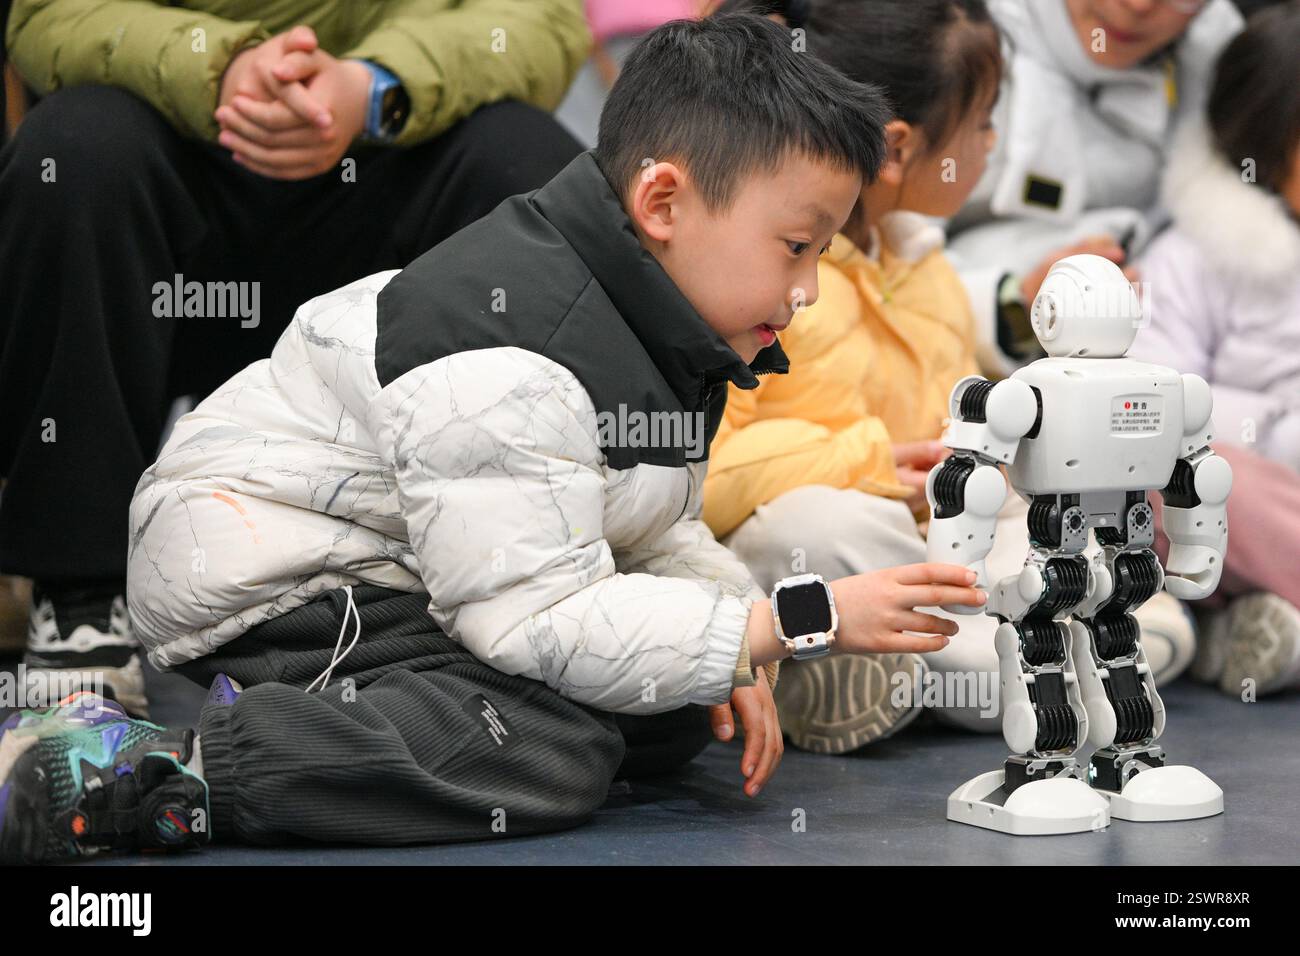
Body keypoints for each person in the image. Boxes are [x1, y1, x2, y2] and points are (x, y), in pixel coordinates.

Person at [0, 14, 987, 864]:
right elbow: (536, 623)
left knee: (671, 706)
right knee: (552, 745)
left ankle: (341, 731)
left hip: (417, 564)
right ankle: (161, 769)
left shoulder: (667, 319)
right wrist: (781, 622)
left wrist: (731, 635)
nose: (809, 287)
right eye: (796, 247)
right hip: (282, 575)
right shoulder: (514, 360)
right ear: (663, 202)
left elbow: (651, 529)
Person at [0, 0, 592, 717]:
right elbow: (48, 14)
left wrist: (376, 88)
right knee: (75, 148)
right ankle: (79, 599)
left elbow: (546, 19)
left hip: (389, 172)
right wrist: (218, 71)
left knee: (525, 158)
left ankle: (509, 578)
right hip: (177, 180)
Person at [705, 0, 1198, 754]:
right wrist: (867, 465)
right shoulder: (770, 277)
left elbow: (969, 446)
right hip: (828, 554)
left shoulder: (929, 269)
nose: (991, 146)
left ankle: (921, 675)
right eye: (983, 125)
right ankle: (1031, 674)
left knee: (1072, 538)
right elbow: (702, 477)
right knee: (820, 528)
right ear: (899, 150)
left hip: (928, 547)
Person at [1129, 0, 1300, 697]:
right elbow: (1147, 412)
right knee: (1204, 481)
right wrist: (1279, 423)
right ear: (1263, 133)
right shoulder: (1195, 255)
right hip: (1231, 497)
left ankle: (1237, 634)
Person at [947, 0, 1243, 374]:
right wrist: (1011, 308)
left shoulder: (1222, 58)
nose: (1139, 6)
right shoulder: (944, 31)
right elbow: (879, 249)